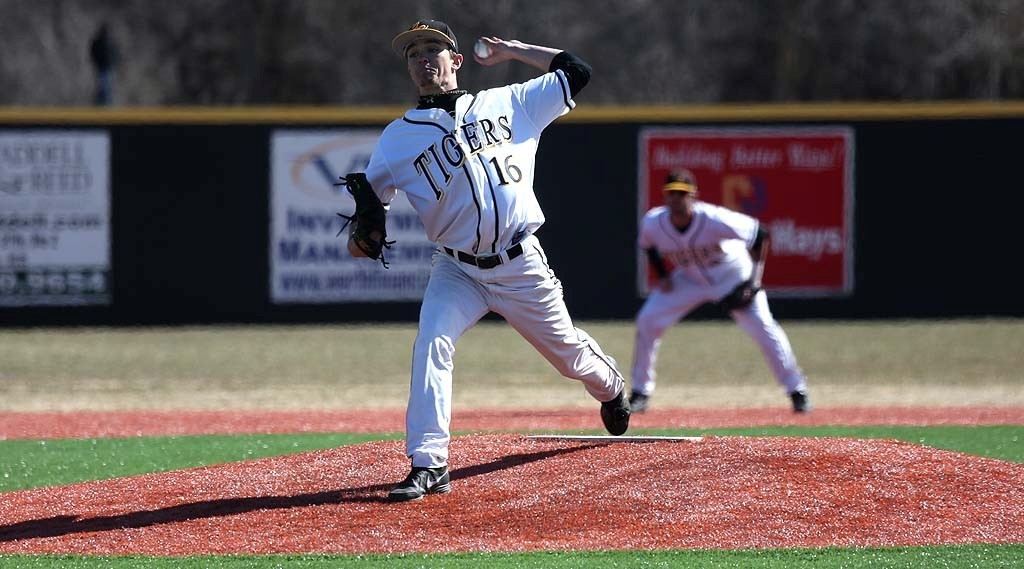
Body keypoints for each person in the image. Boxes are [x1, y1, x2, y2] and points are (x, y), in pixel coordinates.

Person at [346, 19, 630, 502]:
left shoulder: (509, 102)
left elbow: (575, 70)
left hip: (520, 264)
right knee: (432, 343)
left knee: (569, 356)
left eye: (432, 49)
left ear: (455, 61)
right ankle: (428, 462)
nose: (422, 59)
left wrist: (514, 50)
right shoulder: (396, 139)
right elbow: (365, 225)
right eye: (413, 53)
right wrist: (365, 235)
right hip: (456, 270)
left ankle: (610, 387)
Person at [628, 169, 811, 414]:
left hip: (732, 276)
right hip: (689, 279)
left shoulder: (713, 218)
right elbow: (648, 246)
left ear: (694, 196)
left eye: (682, 194)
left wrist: (753, 283)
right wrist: (663, 277)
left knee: (765, 329)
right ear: (665, 196)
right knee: (648, 320)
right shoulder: (653, 222)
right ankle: (640, 392)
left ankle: (796, 390)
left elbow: (760, 234)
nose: (677, 198)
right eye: (672, 193)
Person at [89, 23, 118, 106]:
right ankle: (102, 105)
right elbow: (93, 52)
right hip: (100, 67)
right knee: (103, 87)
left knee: (106, 88)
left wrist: (114, 63)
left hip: (107, 67)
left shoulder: (110, 42)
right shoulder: (98, 41)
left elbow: (115, 53)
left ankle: (105, 105)